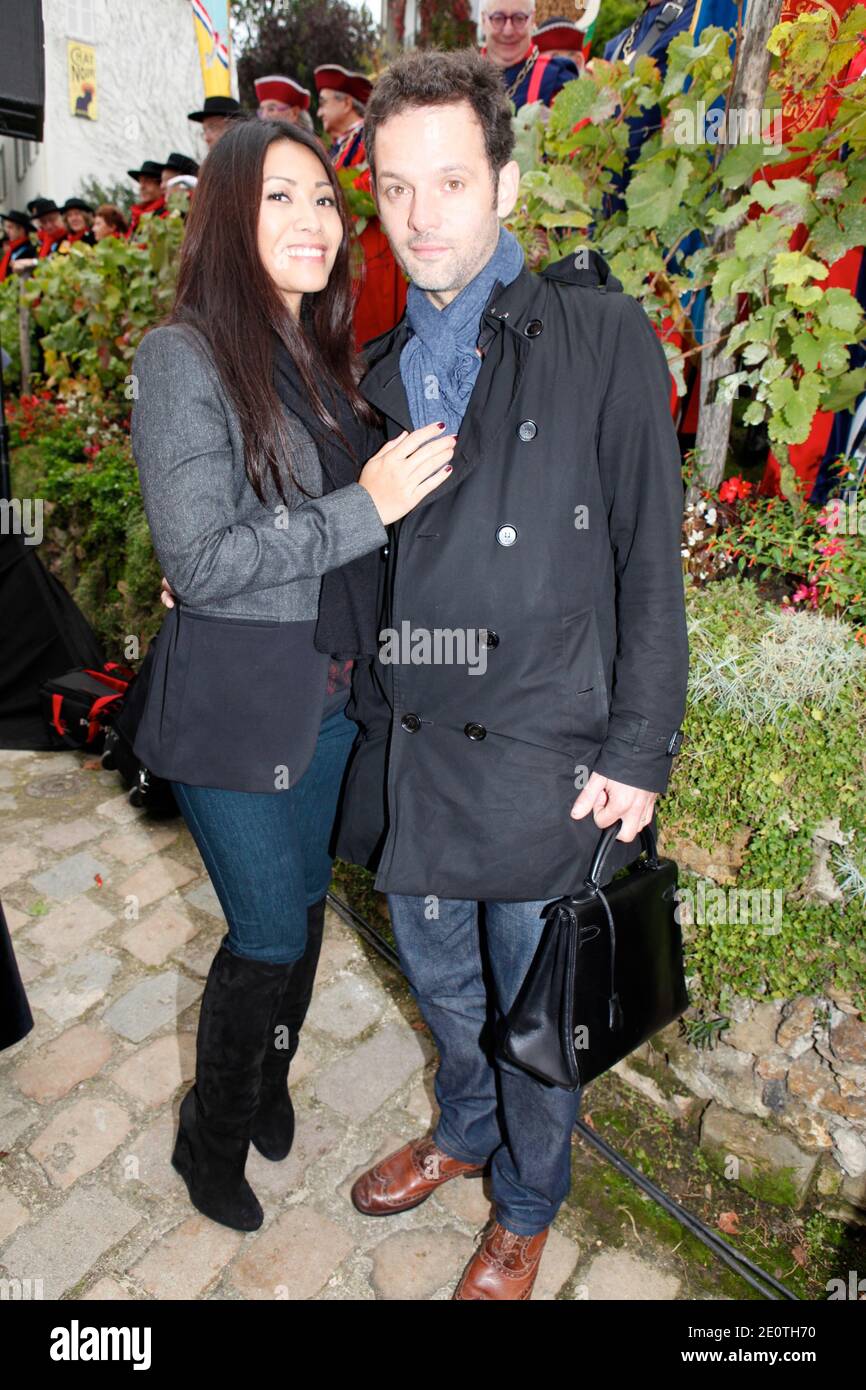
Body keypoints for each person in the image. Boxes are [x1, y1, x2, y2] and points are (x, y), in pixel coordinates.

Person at [334, 47, 689, 1301]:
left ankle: (526, 1204)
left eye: (450, 182)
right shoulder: (375, 365)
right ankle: (462, 1130)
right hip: (417, 749)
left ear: (504, 183)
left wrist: (639, 749)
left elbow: (651, 555)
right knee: (439, 977)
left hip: (543, 758)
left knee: (536, 1017)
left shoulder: (596, 332)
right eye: (394, 187)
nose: (421, 216)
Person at [130, 116, 456, 1235]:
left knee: (308, 915)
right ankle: (207, 1131)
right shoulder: (182, 356)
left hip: (328, 701)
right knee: (265, 934)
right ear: (228, 213)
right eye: (280, 198)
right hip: (235, 714)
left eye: (324, 198)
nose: (314, 220)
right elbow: (203, 558)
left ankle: (267, 1076)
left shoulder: (322, 353)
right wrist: (364, 506)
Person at [314, 62, 408, 348]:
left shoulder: (371, 136)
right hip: (354, 257)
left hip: (373, 256)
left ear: (345, 103)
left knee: (371, 337)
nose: (319, 112)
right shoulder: (340, 144)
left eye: (324, 103)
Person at [479, 0, 579, 109]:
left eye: (519, 18)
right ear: (483, 20)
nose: (508, 31)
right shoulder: (461, 78)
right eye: (498, 18)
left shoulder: (558, 81)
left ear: (532, 20)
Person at [125, 160, 170, 239]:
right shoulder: (135, 217)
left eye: (147, 182)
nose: (142, 187)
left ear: (161, 186)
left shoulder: (168, 214)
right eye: (140, 182)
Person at [0, 210, 37, 279]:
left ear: (21, 230)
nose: (7, 231)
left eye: (10, 227)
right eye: (7, 227)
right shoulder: (13, 249)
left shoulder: (30, 251)